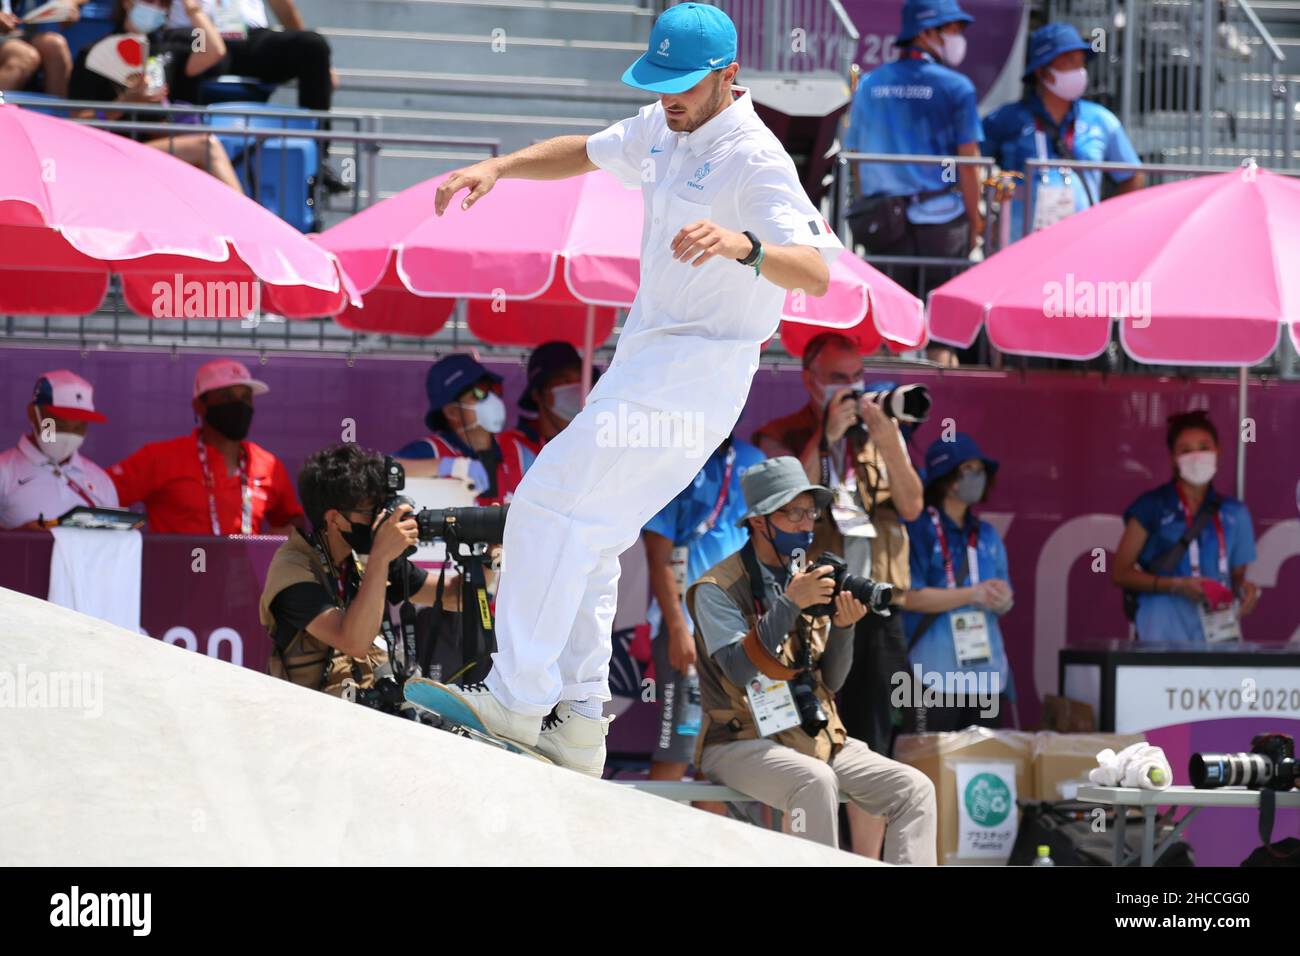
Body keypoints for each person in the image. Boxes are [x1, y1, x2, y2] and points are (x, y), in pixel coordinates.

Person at [422, 2, 841, 776]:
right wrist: (501, 167)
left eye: (685, 85)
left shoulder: (757, 157)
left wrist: (743, 245)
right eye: (662, 82)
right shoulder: (661, 124)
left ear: (729, 76)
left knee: (546, 499)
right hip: (655, 363)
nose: (670, 97)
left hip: (697, 367)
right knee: (589, 531)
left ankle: (516, 698)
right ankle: (581, 721)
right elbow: (582, 150)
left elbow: (815, 271)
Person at [687, 456, 936, 861]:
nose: (807, 524)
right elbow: (737, 668)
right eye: (794, 513)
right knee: (815, 781)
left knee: (914, 788)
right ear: (758, 520)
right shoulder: (717, 587)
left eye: (812, 512)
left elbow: (832, 682)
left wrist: (844, 627)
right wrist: (789, 604)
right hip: (738, 739)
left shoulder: (807, 579)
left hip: (812, 735)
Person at [752, 331, 924, 856]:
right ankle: (793, 855)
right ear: (810, 380)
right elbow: (782, 501)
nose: (853, 390)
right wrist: (825, 438)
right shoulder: (783, 433)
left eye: (857, 377)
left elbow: (913, 506)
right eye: (839, 380)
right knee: (799, 737)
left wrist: (888, 435)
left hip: (872, 607)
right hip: (808, 609)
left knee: (869, 739)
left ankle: (867, 859)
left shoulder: (877, 435)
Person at [260, 442, 468, 704]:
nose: (379, 520)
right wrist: (381, 556)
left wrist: (484, 555)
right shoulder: (293, 568)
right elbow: (353, 641)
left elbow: (453, 597)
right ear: (334, 519)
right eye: (370, 511)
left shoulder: (362, 553)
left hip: (368, 710)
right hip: (309, 715)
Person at [641, 433, 764, 781]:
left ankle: (711, 837)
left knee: (720, 758)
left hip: (739, 632)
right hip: (687, 630)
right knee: (679, 747)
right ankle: (643, 835)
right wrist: (678, 629)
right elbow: (658, 556)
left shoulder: (752, 457)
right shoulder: (673, 458)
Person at [842, 0, 983, 298]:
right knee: (939, 331)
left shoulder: (869, 85)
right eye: (953, 29)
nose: (959, 38)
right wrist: (977, 221)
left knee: (886, 326)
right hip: (942, 224)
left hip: (883, 225)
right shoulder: (958, 87)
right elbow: (969, 163)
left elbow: (856, 159)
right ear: (925, 33)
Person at [982, 23, 1142, 245]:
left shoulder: (1101, 120)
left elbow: (1132, 176)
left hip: (1082, 247)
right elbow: (971, 165)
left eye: (1080, 61)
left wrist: (1108, 222)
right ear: (1041, 71)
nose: (1078, 69)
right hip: (1019, 247)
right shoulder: (1004, 120)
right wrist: (985, 216)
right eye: (1068, 61)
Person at [161, 0, 344, 192]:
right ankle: (185, 153)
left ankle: (318, 162)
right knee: (198, 55)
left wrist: (324, 69)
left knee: (313, 46)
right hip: (196, 33)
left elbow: (282, 6)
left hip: (248, 36)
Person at [108, 357, 303, 534]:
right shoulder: (159, 457)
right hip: (176, 572)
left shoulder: (269, 465)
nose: (239, 405)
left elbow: (294, 520)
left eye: (245, 397)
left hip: (245, 573)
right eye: (227, 397)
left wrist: (285, 534)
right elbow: (98, 497)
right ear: (199, 406)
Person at [1112, 410, 1259, 642]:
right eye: (1186, 450)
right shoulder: (1152, 505)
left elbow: (1236, 575)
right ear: (1173, 458)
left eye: (1204, 447)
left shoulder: (1236, 512)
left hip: (1217, 635)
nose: (1197, 456)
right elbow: (1120, 572)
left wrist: (1246, 590)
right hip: (1160, 631)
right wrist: (1176, 586)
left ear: (1218, 451)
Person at [66, 0, 243, 191]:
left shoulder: (168, 48)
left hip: (156, 148)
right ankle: (247, 218)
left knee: (203, 154)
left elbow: (211, 48)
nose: (156, 7)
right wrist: (126, 103)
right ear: (127, 3)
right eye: (150, 1)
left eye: (164, 4)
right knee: (207, 147)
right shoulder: (91, 53)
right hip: (112, 152)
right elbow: (78, 121)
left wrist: (192, 9)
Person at [903, 433, 1013, 732]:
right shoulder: (918, 529)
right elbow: (908, 597)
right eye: (968, 470)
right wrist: (972, 594)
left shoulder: (987, 533)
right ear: (946, 478)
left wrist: (1003, 599)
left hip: (986, 674)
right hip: (932, 672)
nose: (977, 477)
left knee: (984, 770)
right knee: (930, 766)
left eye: (980, 470)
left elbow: (1006, 593)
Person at [391, 353, 536, 507]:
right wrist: (447, 466)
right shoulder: (433, 451)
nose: (492, 399)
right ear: (452, 412)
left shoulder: (519, 453)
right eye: (480, 393)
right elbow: (381, 471)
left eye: (494, 389)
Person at [0, 370, 119, 529]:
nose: (68, 434)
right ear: (34, 414)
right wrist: (22, 539)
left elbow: (113, 544)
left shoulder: (100, 480)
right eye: (59, 423)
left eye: (79, 426)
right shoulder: (4, 471)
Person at [509, 340, 597, 452]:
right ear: (537, 394)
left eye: (581, 380)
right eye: (565, 380)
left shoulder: (598, 441)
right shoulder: (516, 446)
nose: (576, 389)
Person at [0, 0, 81, 97]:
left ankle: (58, 111)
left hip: (11, 34)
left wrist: (69, 4)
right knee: (24, 55)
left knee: (55, 44)